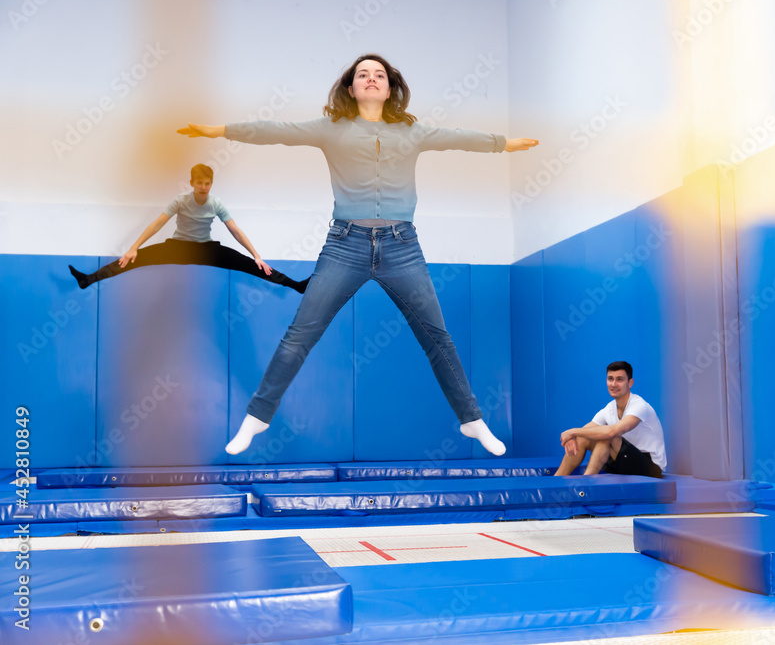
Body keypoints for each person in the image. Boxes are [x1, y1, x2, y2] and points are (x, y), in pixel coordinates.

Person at [178, 53, 538, 457]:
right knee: (300, 334)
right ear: (351, 87)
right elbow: (275, 130)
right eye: (362, 74)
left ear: (390, 87)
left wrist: (504, 144)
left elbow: (458, 137)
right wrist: (220, 130)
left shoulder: (411, 131)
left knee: (437, 337)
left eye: (379, 74)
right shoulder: (331, 129)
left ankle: (472, 420)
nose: (371, 79)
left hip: (402, 247)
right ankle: (256, 419)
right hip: (344, 244)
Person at [68, 164, 308, 293]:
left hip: (206, 249)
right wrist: (134, 247)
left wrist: (256, 255)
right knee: (133, 260)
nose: (203, 187)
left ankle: (296, 285)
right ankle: (88, 279)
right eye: (199, 183)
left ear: (211, 183)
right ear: (191, 183)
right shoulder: (181, 201)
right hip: (178, 248)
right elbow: (158, 223)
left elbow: (235, 231)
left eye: (207, 183)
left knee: (251, 265)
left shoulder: (216, 203)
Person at [555, 361, 666, 478]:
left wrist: (571, 432)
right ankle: (556, 480)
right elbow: (585, 431)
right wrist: (571, 437)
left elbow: (612, 432)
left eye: (620, 379)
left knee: (608, 436)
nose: (613, 384)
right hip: (623, 463)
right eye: (610, 379)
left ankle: (585, 484)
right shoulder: (609, 409)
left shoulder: (639, 406)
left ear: (630, 383)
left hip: (650, 469)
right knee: (582, 437)